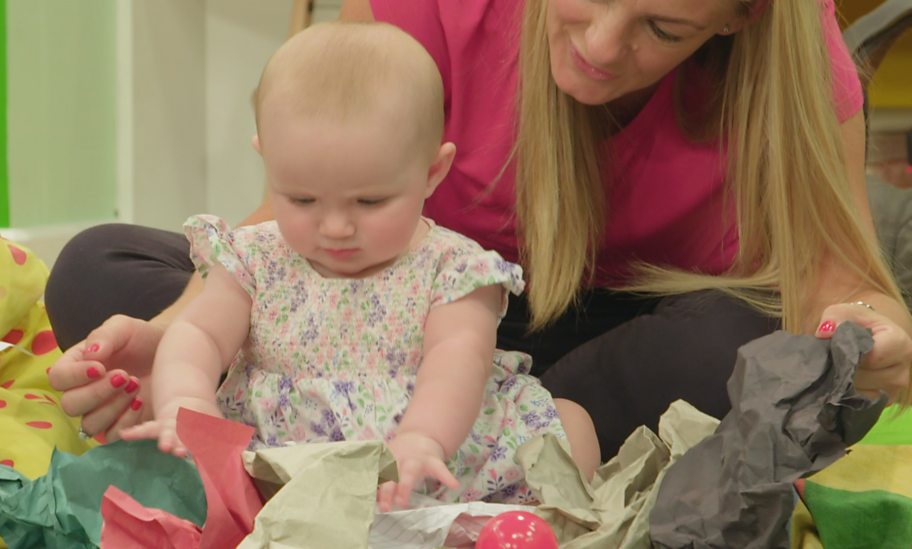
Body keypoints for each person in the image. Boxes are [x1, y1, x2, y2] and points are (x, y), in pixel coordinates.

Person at [48, 0, 912, 461]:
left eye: (662, 27)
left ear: (740, 16)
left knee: (734, 348)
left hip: (596, 341)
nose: (602, 47)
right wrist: (180, 336)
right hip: (367, 322)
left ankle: (521, 428)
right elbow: (297, 220)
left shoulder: (796, 68)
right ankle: (373, 424)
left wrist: (867, 334)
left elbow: (833, 278)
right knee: (99, 269)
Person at [108, 22, 598, 509]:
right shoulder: (255, 257)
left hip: (420, 462)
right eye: (302, 198)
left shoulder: (452, 268)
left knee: (569, 428)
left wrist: (424, 438)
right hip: (283, 460)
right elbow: (201, 334)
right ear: (267, 160)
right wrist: (186, 402)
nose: (336, 227)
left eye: (369, 201)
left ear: (432, 173)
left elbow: (459, 356)